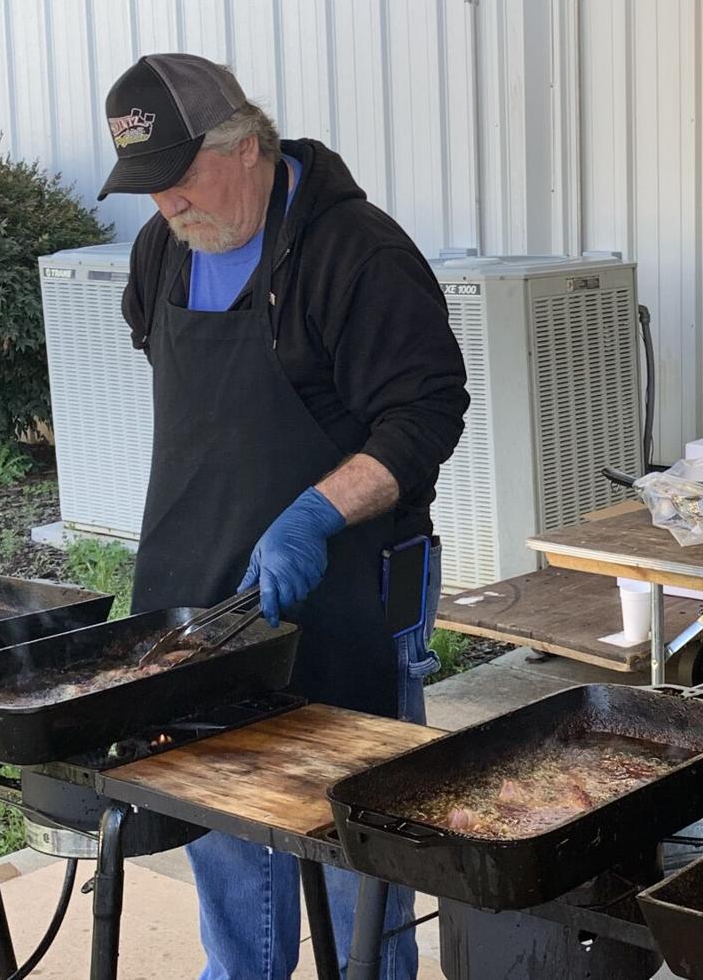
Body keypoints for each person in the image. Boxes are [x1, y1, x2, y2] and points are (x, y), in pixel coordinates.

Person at [103, 52, 468, 979]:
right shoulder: (164, 252)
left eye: (179, 179)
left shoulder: (361, 253)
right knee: (224, 842)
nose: (167, 208)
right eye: (149, 189)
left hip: (346, 593)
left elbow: (425, 412)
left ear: (249, 145)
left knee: (354, 850)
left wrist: (315, 509)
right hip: (203, 601)